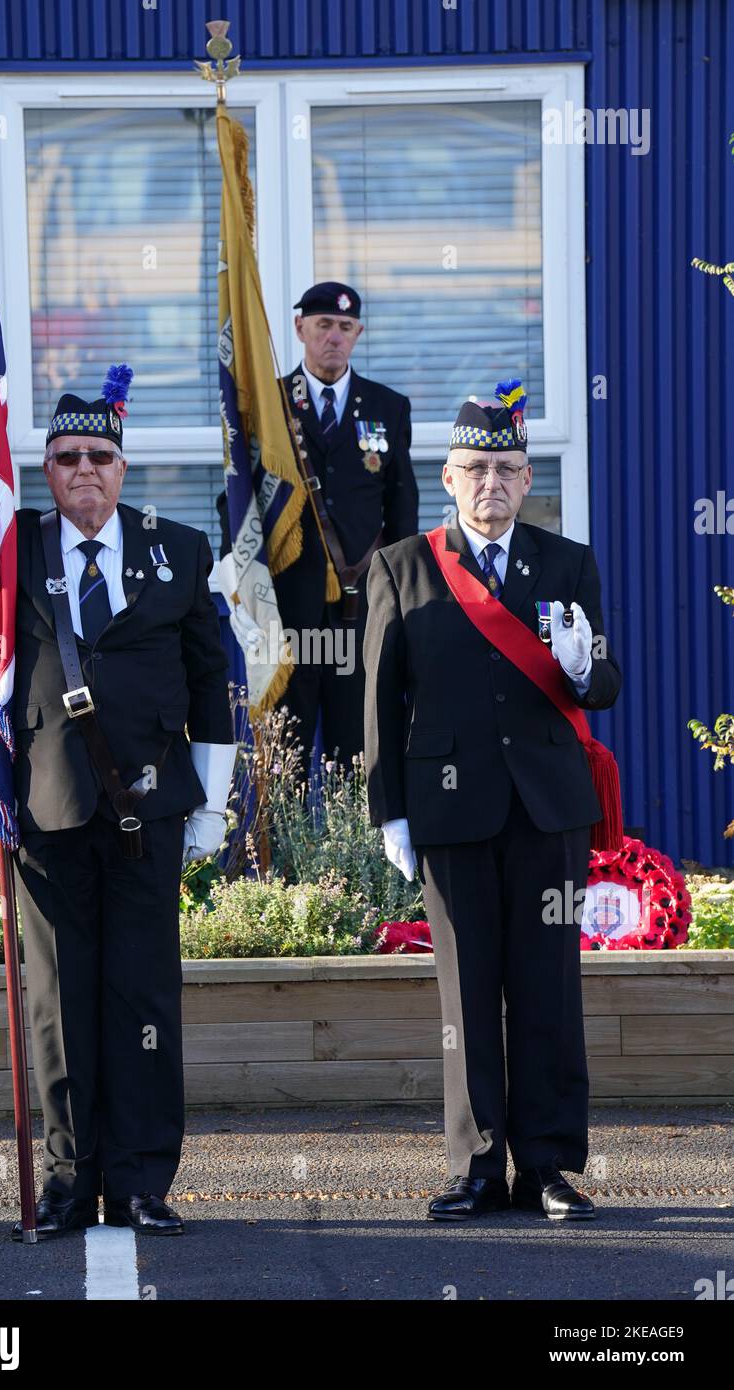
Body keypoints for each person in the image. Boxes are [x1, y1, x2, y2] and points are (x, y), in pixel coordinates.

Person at [363, 379, 622, 1222]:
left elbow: (606, 682)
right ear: (447, 476)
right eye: (476, 468)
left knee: (547, 987)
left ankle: (547, 1165)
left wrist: (585, 667)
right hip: (450, 810)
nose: (492, 484)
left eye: (508, 469)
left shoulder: (565, 562)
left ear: (526, 478)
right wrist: (390, 811)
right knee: (467, 995)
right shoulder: (403, 567)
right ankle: (477, 1166)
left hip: (549, 808)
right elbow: (379, 697)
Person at [10, 367, 236, 1240]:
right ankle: (70, 1179)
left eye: (99, 455)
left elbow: (212, 679)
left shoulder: (176, 548)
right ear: (47, 469)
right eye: (66, 457)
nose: (83, 471)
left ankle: (141, 1179)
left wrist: (212, 801)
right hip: (48, 807)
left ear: (123, 466)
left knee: (143, 998)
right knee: (59, 1001)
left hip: (149, 809)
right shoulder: (12, 550)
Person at [217, 281, 418, 778]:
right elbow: (236, 499)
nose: (334, 337)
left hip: (362, 609)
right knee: (284, 754)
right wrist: (237, 583)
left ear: (358, 334)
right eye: (324, 324)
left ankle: (359, 858)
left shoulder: (387, 407)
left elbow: (401, 504)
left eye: (345, 327)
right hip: (286, 611)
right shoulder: (269, 406)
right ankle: (283, 857)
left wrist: (402, 595)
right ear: (300, 328)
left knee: (357, 753)